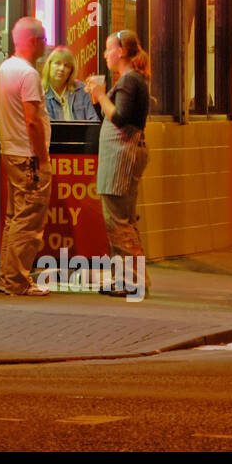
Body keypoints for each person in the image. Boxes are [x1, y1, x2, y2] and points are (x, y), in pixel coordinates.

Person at [86, 30, 153, 296]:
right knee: (122, 219)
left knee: (119, 221)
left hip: (122, 155)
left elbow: (121, 117)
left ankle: (131, 281)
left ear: (121, 51)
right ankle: (128, 278)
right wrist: (97, 99)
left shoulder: (130, 81)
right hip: (123, 154)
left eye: (108, 49)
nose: (105, 54)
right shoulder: (130, 80)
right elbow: (109, 115)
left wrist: (102, 95)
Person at [0, 17, 53, 297]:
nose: (45, 45)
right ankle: (16, 280)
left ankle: (9, 277)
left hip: (11, 153)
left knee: (14, 218)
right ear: (33, 42)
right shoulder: (28, 75)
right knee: (28, 220)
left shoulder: (4, 69)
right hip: (28, 157)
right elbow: (32, 120)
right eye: (43, 40)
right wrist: (42, 159)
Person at [42, 46, 100, 122]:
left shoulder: (81, 89)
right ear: (49, 66)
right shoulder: (41, 92)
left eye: (66, 66)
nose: (61, 68)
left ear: (71, 71)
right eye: (57, 63)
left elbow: (94, 118)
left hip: (82, 133)